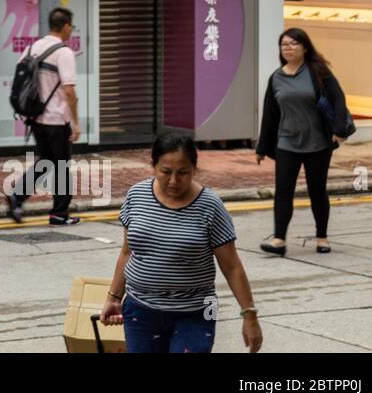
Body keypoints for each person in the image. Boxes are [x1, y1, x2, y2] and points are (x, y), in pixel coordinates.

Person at [101, 133, 262, 354]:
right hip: (140, 309)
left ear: (194, 169)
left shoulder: (210, 206)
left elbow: (232, 265)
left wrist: (249, 315)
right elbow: (128, 252)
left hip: (197, 312)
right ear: (153, 166)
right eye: (165, 172)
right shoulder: (136, 196)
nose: (174, 181)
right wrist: (114, 297)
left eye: (183, 173)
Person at [256, 27, 352, 256]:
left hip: (317, 142)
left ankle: (322, 237)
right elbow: (270, 114)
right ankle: (279, 239)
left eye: (293, 44)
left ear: (305, 47)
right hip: (287, 142)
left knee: (317, 190)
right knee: (283, 191)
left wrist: (339, 130)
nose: (288, 48)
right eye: (284, 44)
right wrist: (262, 147)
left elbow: (339, 99)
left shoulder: (318, 72)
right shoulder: (276, 77)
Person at [6, 6, 79, 224]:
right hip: (57, 119)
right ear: (65, 26)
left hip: (35, 117)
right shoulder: (63, 52)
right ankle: (59, 213)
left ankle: (17, 197)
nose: (71, 31)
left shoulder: (32, 48)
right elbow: (69, 90)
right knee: (62, 166)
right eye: (71, 27)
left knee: (46, 161)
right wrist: (75, 123)